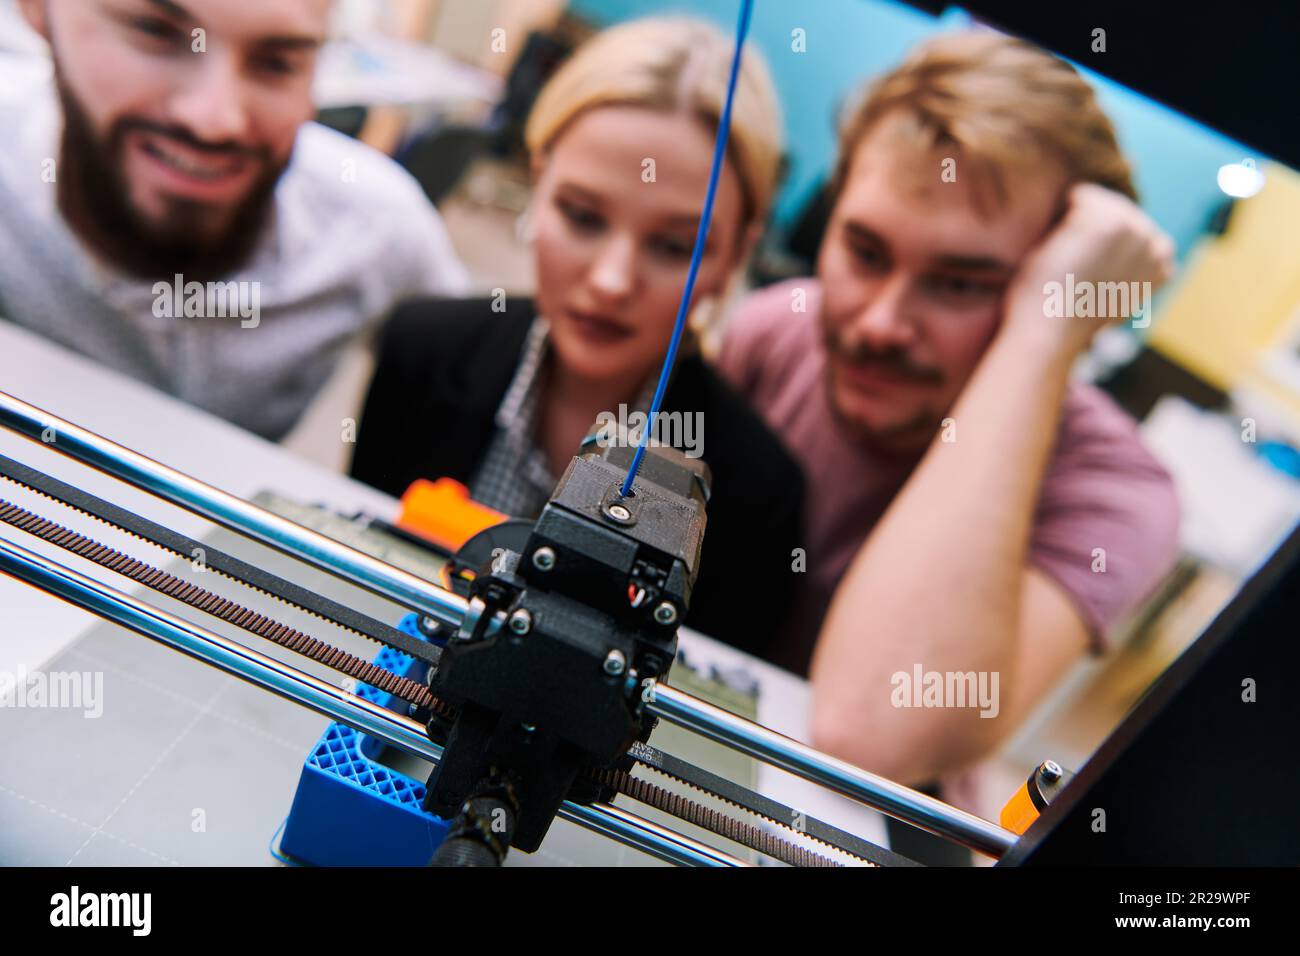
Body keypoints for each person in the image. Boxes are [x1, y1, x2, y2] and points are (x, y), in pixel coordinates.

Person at [718, 32, 1181, 785]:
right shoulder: (774, 331)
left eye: (960, 283)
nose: (879, 326)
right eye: (865, 253)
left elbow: (869, 733)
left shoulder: (1116, 490)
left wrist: (1047, 335)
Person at [351, 17, 804, 653]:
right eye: (583, 216)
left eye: (676, 245)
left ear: (734, 258)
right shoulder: (421, 349)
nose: (613, 281)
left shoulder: (757, 492)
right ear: (539, 183)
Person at [0, 0, 467, 440]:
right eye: (154, 31)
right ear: (38, 8)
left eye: (278, 62)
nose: (214, 120)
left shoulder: (377, 230)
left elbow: (481, 381)